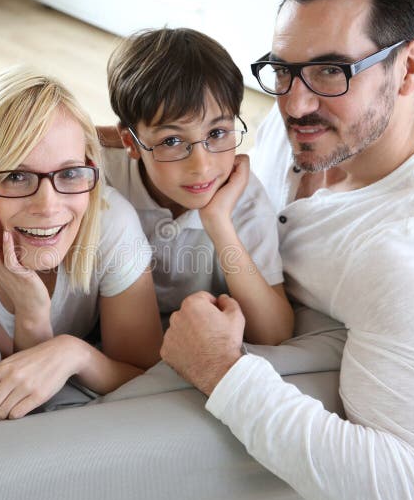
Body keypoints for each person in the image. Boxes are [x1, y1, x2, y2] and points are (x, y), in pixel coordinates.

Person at [160, 0, 414, 500]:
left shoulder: (413, 255)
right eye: (283, 70)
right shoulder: (318, 124)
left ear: (408, 67)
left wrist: (222, 370)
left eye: (332, 71)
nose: (295, 103)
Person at [0, 65, 163, 423]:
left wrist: (77, 354)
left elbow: (148, 378)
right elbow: (24, 396)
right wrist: (30, 309)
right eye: (16, 176)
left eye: (70, 173)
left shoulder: (110, 222)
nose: (47, 206)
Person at [103, 27, 293, 343]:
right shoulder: (103, 175)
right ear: (131, 143)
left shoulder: (244, 200)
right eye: (172, 140)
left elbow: (274, 332)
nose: (202, 166)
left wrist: (218, 222)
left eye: (218, 133)